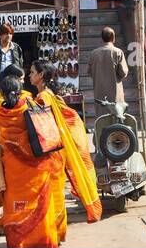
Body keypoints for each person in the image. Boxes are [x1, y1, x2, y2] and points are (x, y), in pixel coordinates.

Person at [0, 65, 71, 248]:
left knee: (15, 204)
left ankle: (18, 242)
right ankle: (43, 239)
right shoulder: (30, 102)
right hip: (36, 166)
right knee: (40, 202)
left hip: (11, 166)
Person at [29, 59, 102, 223]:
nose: (29, 76)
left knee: (54, 188)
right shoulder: (48, 94)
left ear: (41, 75)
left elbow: (42, 125)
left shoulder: (43, 98)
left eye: (32, 72)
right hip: (58, 146)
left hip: (53, 150)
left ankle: (55, 222)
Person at [88, 26, 128, 108]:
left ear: (102, 39)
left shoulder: (93, 53)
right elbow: (123, 73)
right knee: (116, 117)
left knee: (101, 118)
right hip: (115, 95)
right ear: (113, 38)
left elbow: (90, 72)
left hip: (100, 95)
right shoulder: (118, 52)